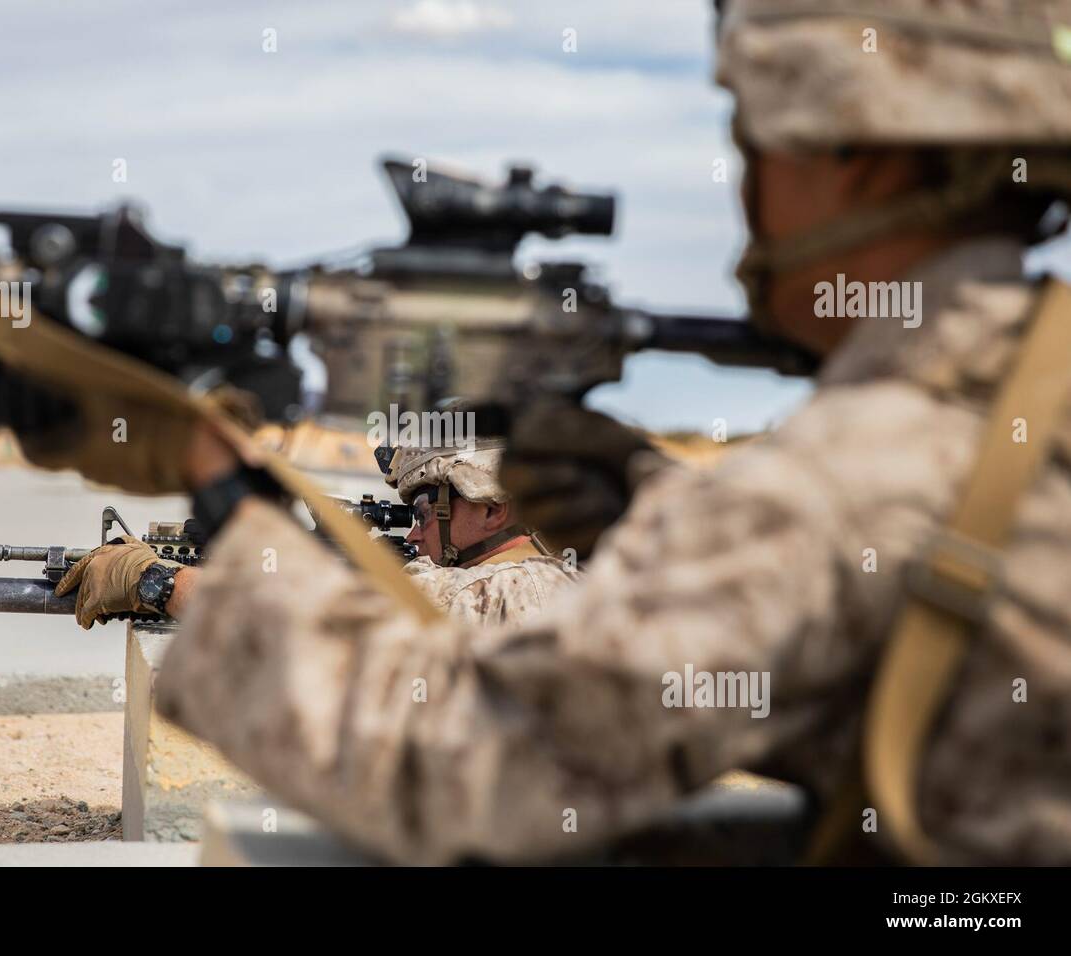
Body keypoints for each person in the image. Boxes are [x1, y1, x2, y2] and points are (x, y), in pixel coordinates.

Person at [67, 0, 1071, 864]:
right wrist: (654, 504)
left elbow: (458, 759)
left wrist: (211, 483)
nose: (747, 191)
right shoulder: (1016, 405)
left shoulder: (844, 482)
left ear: (859, 156)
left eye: (756, 140)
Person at [54, 439, 581, 629]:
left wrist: (156, 582)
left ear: (495, 512)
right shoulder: (551, 579)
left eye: (424, 511)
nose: (415, 535)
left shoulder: (516, 594)